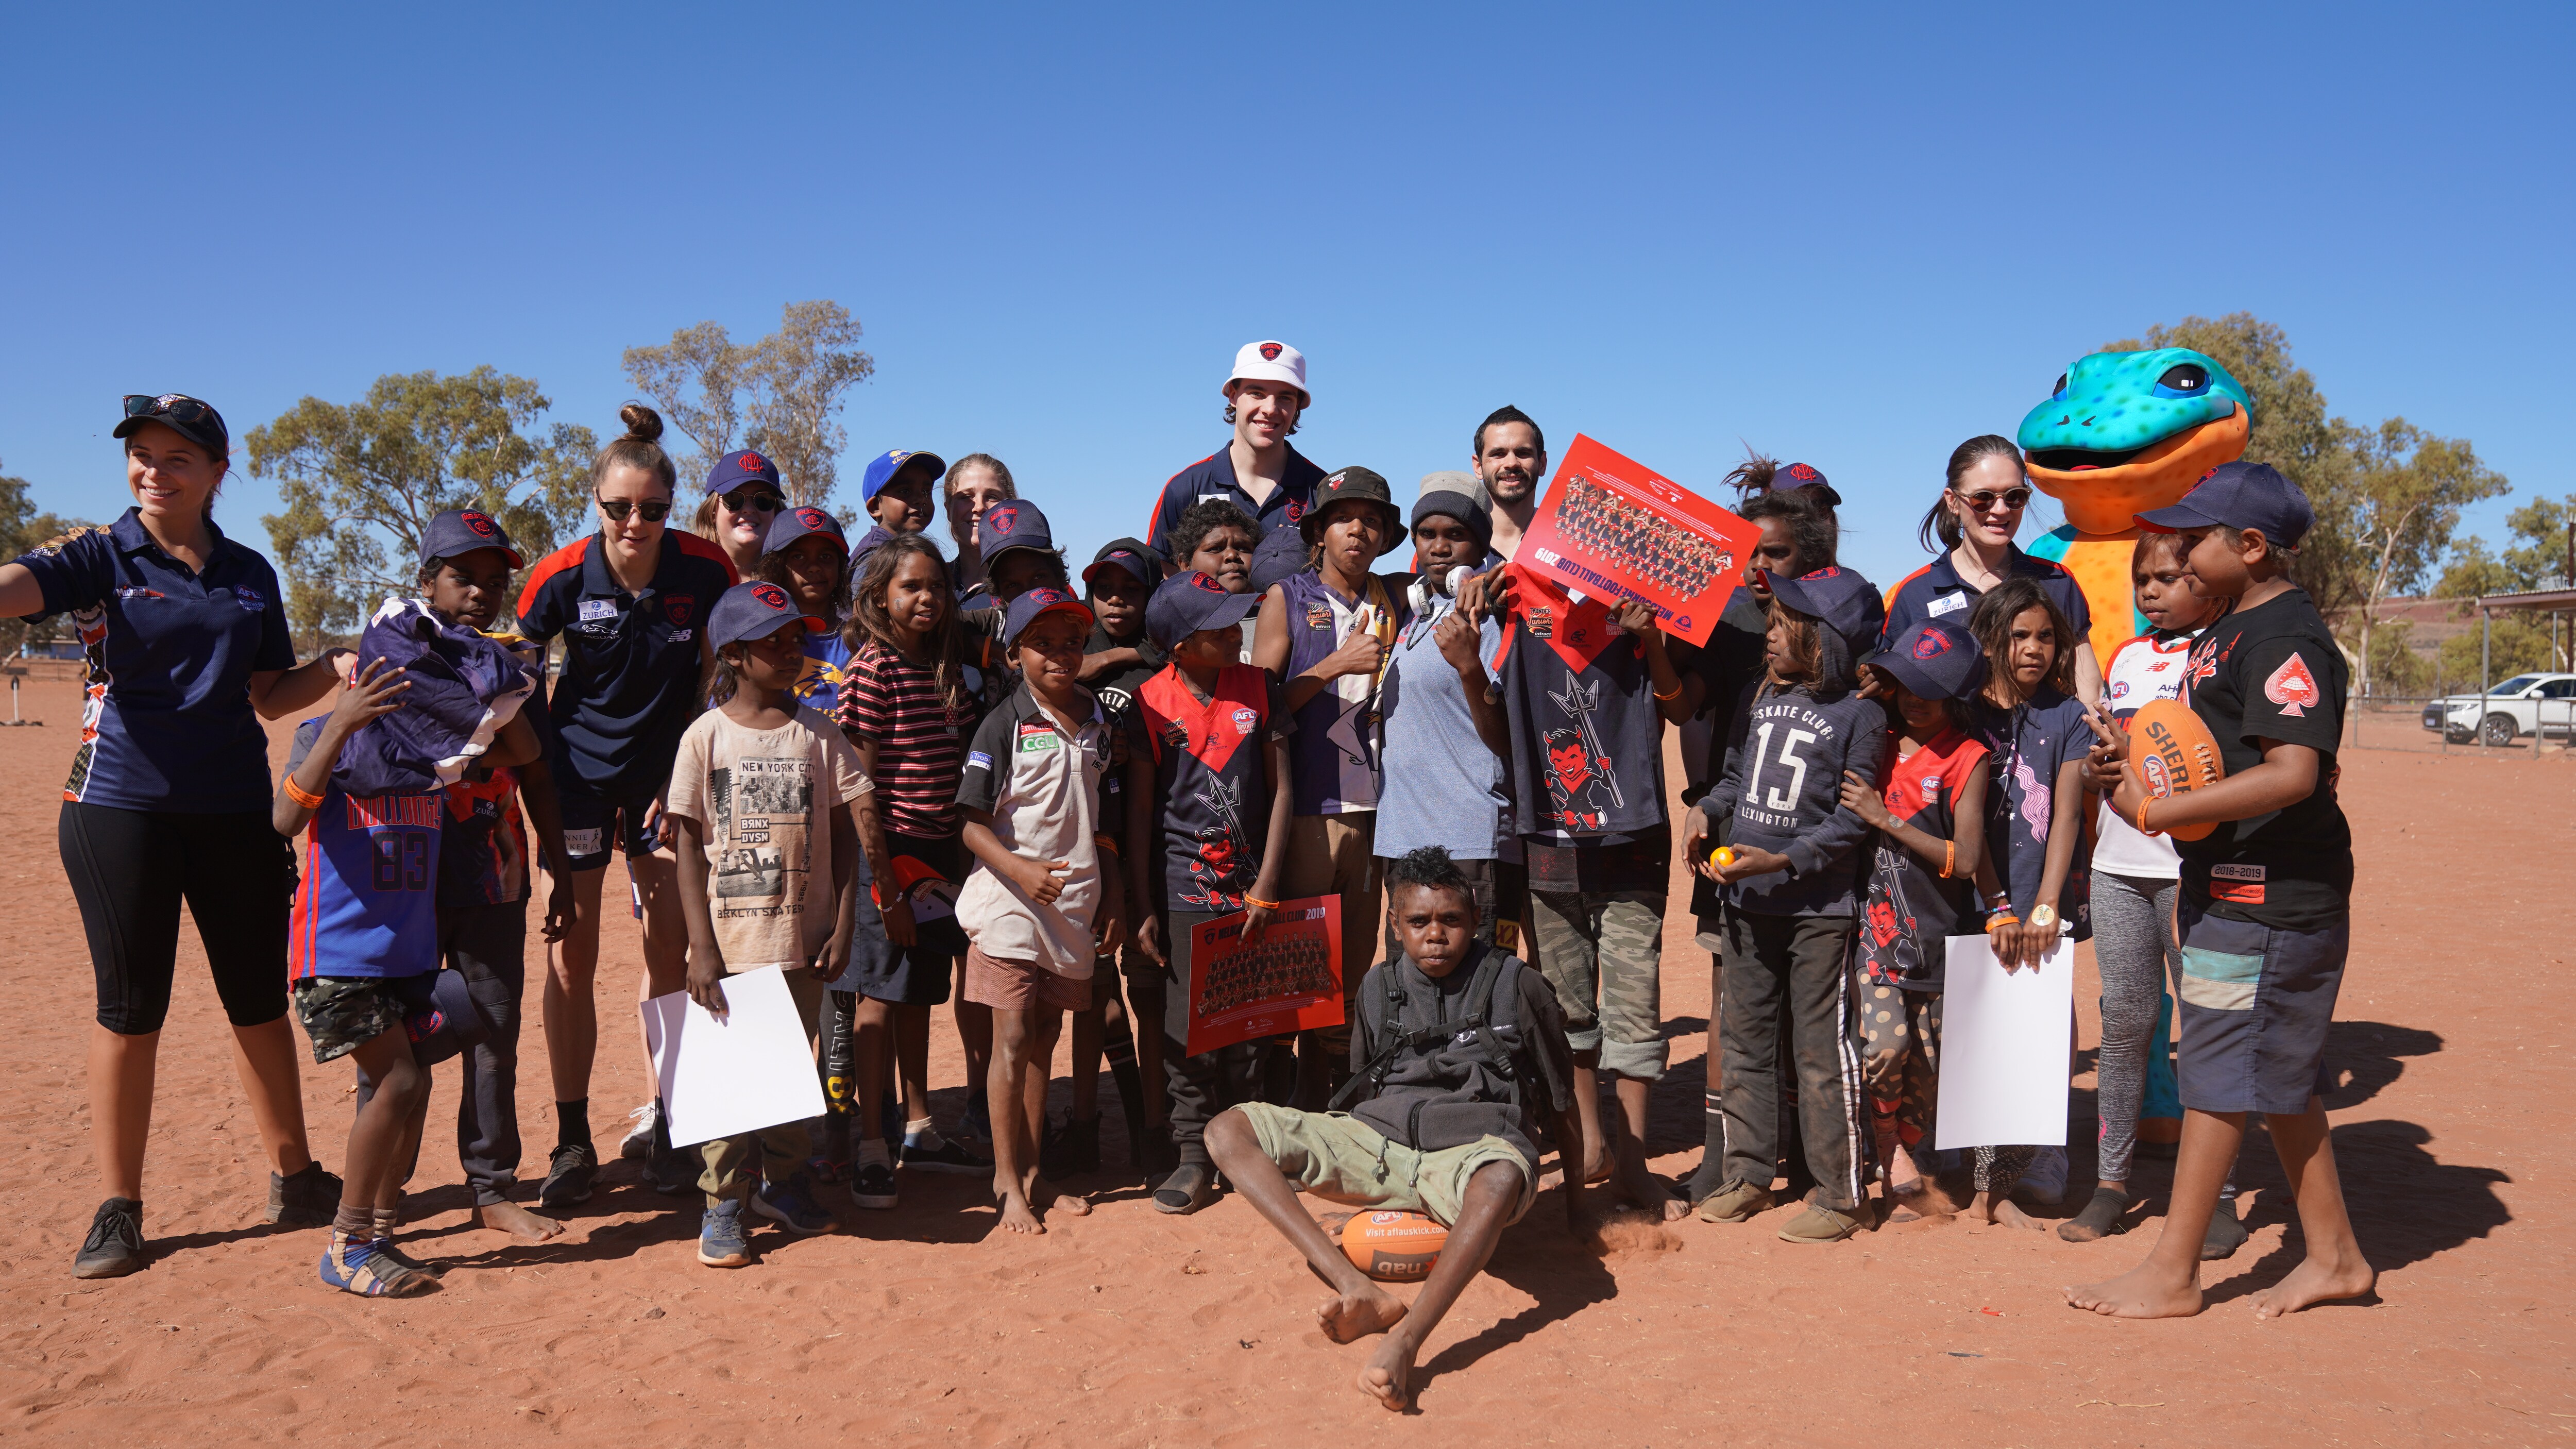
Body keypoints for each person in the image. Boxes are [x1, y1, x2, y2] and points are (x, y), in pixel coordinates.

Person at [0, 393, 353, 1279]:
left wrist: (333, 667)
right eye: (143, 455)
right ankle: (118, 1207)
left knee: (258, 999)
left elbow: (269, 695)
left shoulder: (249, 571)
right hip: (120, 810)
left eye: (177, 458)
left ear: (217, 472)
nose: (154, 472)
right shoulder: (98, 554)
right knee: (132, 1008)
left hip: (233, 810)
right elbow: (14, 589)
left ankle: (296, 1176)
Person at [2070, 461, 2372, 1320]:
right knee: (2278, 1078)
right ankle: (2337, 1257)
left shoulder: (2282, 637)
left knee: (2215, 1074)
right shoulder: (2227, 629)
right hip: (2230, 890)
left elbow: (2293, 772)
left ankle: (2174, 1270)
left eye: (2195, 536)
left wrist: (2158, 810)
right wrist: (2130, 766)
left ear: (2250, 546)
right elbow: (2209, 752)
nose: (2180, 551)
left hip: (2270, 901)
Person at [1203, 846, 1584, 1413]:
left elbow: (1561, 1098)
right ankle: (1355, 1288)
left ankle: (1405, 1339)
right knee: (1227, 1130)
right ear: (1395, 925)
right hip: (1381, 1142)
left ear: (1476, 919)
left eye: (1451, 920)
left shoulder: (1517, 984)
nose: (1436, 935)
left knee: (1502, 1178)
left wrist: (1578, 1210)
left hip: (1471, 1151)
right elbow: (1367, 1088)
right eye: (1419, 922)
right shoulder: (1378, 987)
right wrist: (1365, 1184)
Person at [513, 404, 737, 1207]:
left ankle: (673, 1126)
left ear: (672, 508)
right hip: (573, 781)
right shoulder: (559, 576)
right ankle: (572, 1140)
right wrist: (537, 790)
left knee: (670, 952)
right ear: (596, 502)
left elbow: (717, 674)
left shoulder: (706, 571)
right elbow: (519, 683)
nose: (634, 523)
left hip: (662, 784)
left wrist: (687, 774)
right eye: (618, 507)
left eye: (652, 508)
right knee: (569, 958)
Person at [668, 582, 865, 1266]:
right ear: (732, 653)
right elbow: (687, 846)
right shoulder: (705, 737)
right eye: (772, 641)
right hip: (730, 943)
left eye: (795, 639)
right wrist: (699, 947)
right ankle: (722, 1202)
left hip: (802, 939)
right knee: (731, 1075)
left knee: (786, 1072)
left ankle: (783, 1183)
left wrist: (844, 922)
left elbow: (846, 834)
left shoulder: (819, 733)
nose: (790, 651)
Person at [1688, 565, 1886, 1242]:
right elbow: (1736, 778)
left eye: (1784, 626)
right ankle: (1747, 1174)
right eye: (1771, 624)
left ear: (1827, 639)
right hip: (1746, 903)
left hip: (1818, 912)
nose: (1769, 636)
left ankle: (1842, 1195)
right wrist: (1705, 810)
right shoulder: (1762, 695)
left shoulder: (1862, 715)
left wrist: (1782, 859)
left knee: (1821, 1051)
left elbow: (1853, 820)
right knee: (1745, 1043)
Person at [1490, 556, 1691, 1220]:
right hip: (1549, 845)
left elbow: (1678, 706)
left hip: (1633, 845)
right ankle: (1591, 1147)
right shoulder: (1511, 599)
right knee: (1567, 1010)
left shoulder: (1639, 607)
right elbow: (1488, 702)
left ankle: (1631, 1163)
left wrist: (1651, 639)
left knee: (1634, 1008)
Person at [411, 510, 574, 1244]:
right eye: (462, 577)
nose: (480, 592)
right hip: (404, 879)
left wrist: (557, 866)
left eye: (494, 580)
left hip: (495, 876)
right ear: (427, 582)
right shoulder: (398, 656)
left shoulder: (516, 667)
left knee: (493, 1032)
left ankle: (491, 1186)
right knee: (399, 1033)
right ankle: (382, 1188)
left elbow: (537, 771)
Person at [2059, 532, 2224, 1245]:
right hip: (2118, 868)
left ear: (2206, 579)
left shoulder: (2222, 653)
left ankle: (2219, 1199)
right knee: (2124, 1025)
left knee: (2209, 1032)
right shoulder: (2126, 657)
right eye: (2142, 579)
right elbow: (2105, 750)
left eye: (2168, 577)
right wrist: (2095, 769)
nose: (2151, 591)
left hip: (2193, 874)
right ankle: (2111, 1185)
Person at [273, 654, 447, 1296]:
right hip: (336, 955)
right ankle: (347, 1247)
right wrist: (341, 723)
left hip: (405, 958)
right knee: (399, 1081)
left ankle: (377, 1231)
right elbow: (285, 819)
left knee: (412, 1085)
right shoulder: (323, 736)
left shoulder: (436, 748)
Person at [1123, 570, 1295, 1214]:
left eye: (1233, 620)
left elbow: (1282, 789)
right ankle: (1193, 1153)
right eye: (1217, 627)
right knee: (1187, 1028)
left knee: (1251, 1026)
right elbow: (1141, 813)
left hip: (1254, 890)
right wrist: (1143, 903)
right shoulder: (1148, 702)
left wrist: (1268, 882)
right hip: (1182, 892)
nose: (1233, 633)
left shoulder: (1259, 686)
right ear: (1179, 646)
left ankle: (1242, 1148)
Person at [956, 587, 1124, 1232]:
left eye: (1072, 642)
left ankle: (1033, 1171)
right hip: (1008, 903)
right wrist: (1021, 870)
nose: (1060, 655)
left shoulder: (1098, 721)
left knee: (1045, 1036)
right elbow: (971, 824)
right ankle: (1006, 1182)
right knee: (1012, 1037)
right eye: (1042, 643)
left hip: (1072, 905)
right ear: (1013, 655)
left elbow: (1101, 820)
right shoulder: (1002, 724)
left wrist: (1112, 889)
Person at [834, 533, 993, 1210]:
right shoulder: (872, 670)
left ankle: (919, 1128)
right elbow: (858, 789)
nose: (927, 597)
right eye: (911, 586)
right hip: (888, 855)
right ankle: (872, 1144)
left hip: (939, 856)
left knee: (917, 994)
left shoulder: (943, 666)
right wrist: (886, 889)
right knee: (877, 998)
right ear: (879, 596)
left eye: (936, 586)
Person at [1252, 466, 1411, 1108]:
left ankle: (1330, 1105)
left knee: (1348, 967)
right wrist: (1332, 665)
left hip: (1378, 812)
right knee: (1297, 963)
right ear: (1318, 531)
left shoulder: (1394, 600)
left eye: (1371, 521)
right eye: (1343, 518)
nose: (1358, 530)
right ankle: (1282, 1104)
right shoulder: (1286, 598)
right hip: (1307, 810)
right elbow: (1258, 706)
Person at [1836, 617, 1989, 1221]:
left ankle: (1905, 1168)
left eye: (1930, 688)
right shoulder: (1872, 741)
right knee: (1885, 1046)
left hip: (1935, 941)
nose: (1914, 698)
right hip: (1874, 937)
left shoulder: (1967, 758)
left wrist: (1885, 819)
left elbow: (1967, 859)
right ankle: (1885, 1153)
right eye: (1904, 683)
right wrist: (1869, 690)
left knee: (1926, 1070)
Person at [1954, 576, 2094, 1228]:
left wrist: (2045, 904)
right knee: (1973, 1028)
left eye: (2044, 637)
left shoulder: (2066, 716)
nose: (2033, 649)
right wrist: (1994, 902)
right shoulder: (1963, 712)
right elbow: (1965, 819)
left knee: (2035, 1024)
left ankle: (2031, 1157)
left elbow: (2065, 814)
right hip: (1973, 897)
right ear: (1988, 641)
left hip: (2038, 898)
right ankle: (1967, 1162)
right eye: (2018, 636)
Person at [1051, 539, 1168, 1174]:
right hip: (1083, 848)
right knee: (1093, 996)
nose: (1117, 600)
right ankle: (1085, 1125)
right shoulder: (1074, 652)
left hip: (1149, 844)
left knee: (1148, 993)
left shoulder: (1164, 657)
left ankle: (1154, 1127)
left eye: (1131, 589)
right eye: (1105, 589)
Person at [1371, 484, 1519, 961]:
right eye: (1427, 535)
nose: (1439, 547)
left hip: (1472, 842)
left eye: (1456, 535)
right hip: (1402, 840)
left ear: (1479, 546)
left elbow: (1506, 739)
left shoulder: (1495, 617)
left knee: (1484, 986)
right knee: (1407, 986)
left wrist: (1470, 666)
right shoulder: (1412, 617)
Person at [1885, 434, 2101, 704]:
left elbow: (2086, 682)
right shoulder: (1915, 593)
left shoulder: (2057, 581)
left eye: (2015, 497)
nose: (2000, 510)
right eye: (1983, 498)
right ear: (1952, 501)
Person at [1144, 341, 1325, 557]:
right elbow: (1161, 572)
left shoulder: (1323, 492)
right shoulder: (1185, 489)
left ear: (1297, 405)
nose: (1270, 409)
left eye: (1285, 397)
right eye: (1257, 394)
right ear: (1233, 395)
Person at [759, 505, 855, 713]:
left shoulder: (858, 642)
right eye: (798, 557)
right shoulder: (756, 641)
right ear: (776, 566)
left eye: (826, 557)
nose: (814, 567)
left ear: (841, 566)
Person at [688, 448, 785, 580]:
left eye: (763, 499)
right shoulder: (685, 575)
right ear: (713, 511)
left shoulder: (796, 580)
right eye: (734, 499)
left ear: (776, 511)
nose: (749, 509)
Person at [1472, 405, 1546, 562]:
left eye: (1523, 453)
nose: (1512, 463)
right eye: (1498, 454)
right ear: (1478, 467)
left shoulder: (1568, 543)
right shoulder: (1452, 545)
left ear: (1542, 463)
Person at [852, 448, 947, 566]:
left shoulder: (914, 552)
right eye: (905, 491)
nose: (920, 499)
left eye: (926, 492)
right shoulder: (874, 557)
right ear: (875, 507)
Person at [942, 453, 1017, 601]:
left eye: (992, 496)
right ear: (948, 511)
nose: (979, 507)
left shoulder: (1030, 585)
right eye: (966, 497)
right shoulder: (932, 584)